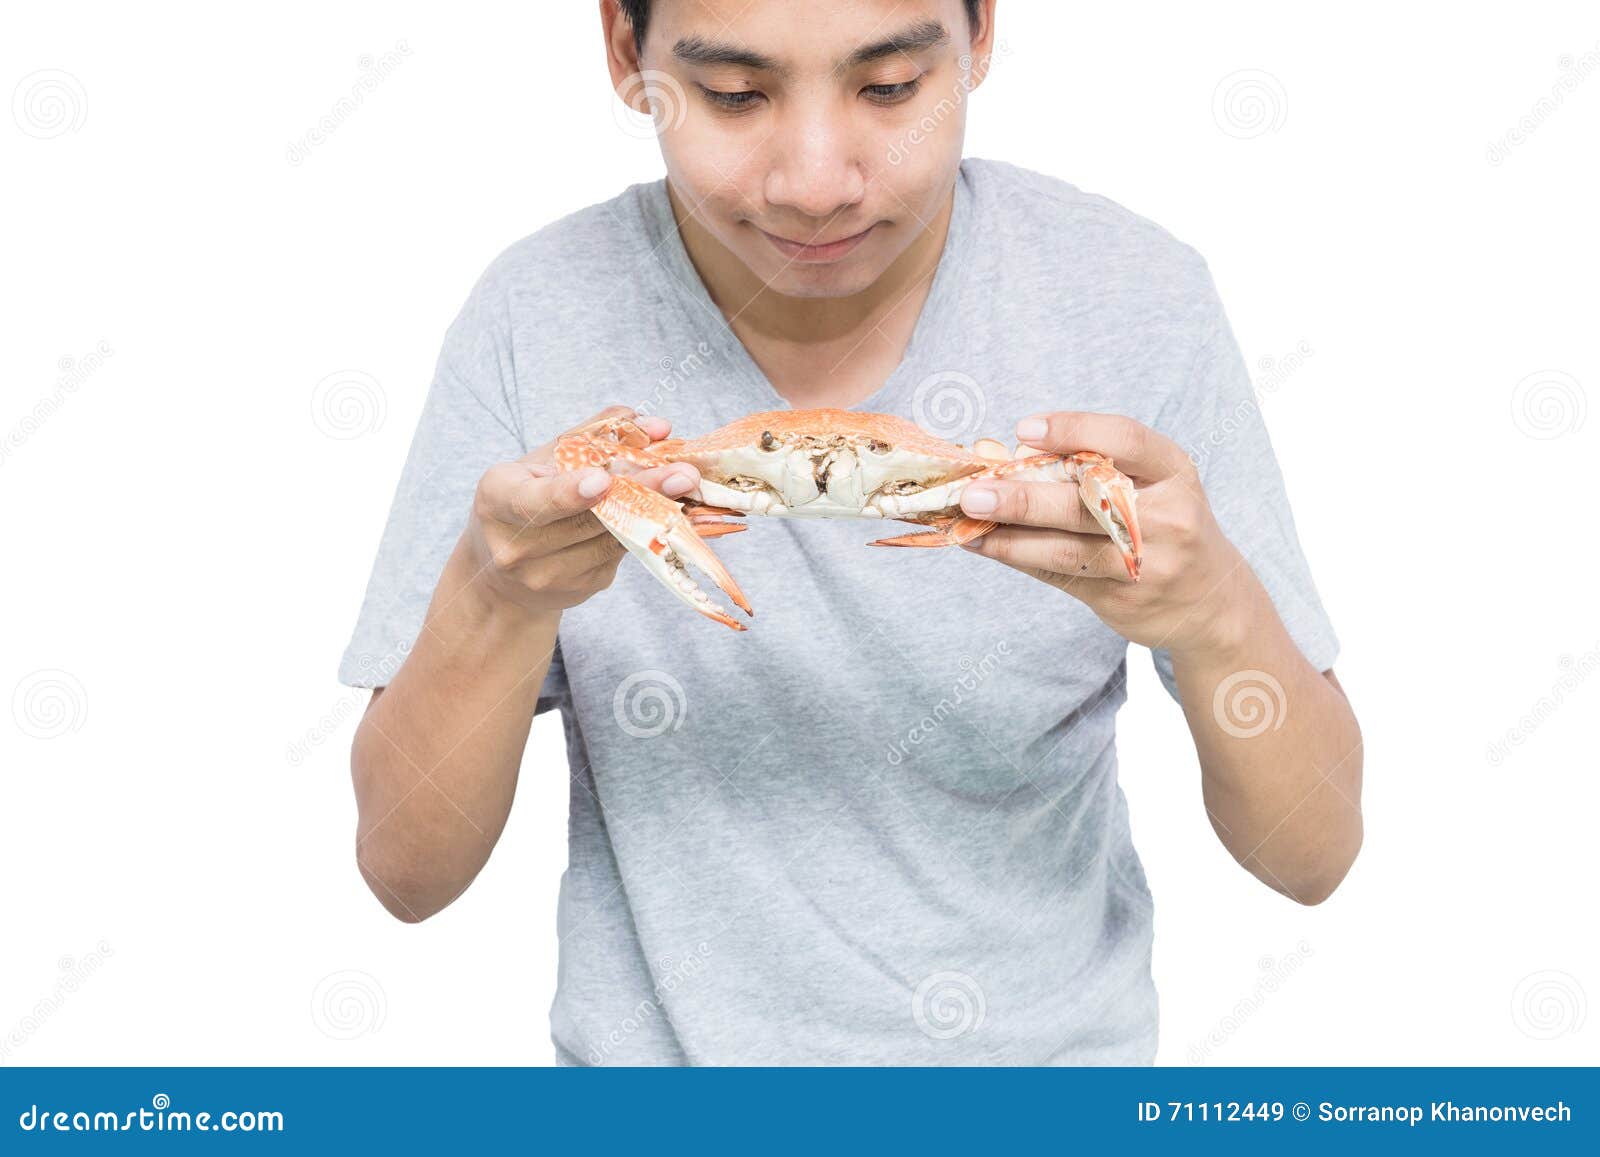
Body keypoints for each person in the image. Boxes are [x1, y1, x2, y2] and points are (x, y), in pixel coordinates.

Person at [339, 0, 1363, 1065]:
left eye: (887, 89)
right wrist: (494, 597)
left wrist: (1216, 618)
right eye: (735, 95)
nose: (815, 182)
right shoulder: (537, 314)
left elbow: (1313, 854)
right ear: (622, 50)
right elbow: (406, 873)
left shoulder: (1131, 298)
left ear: (977, 39)